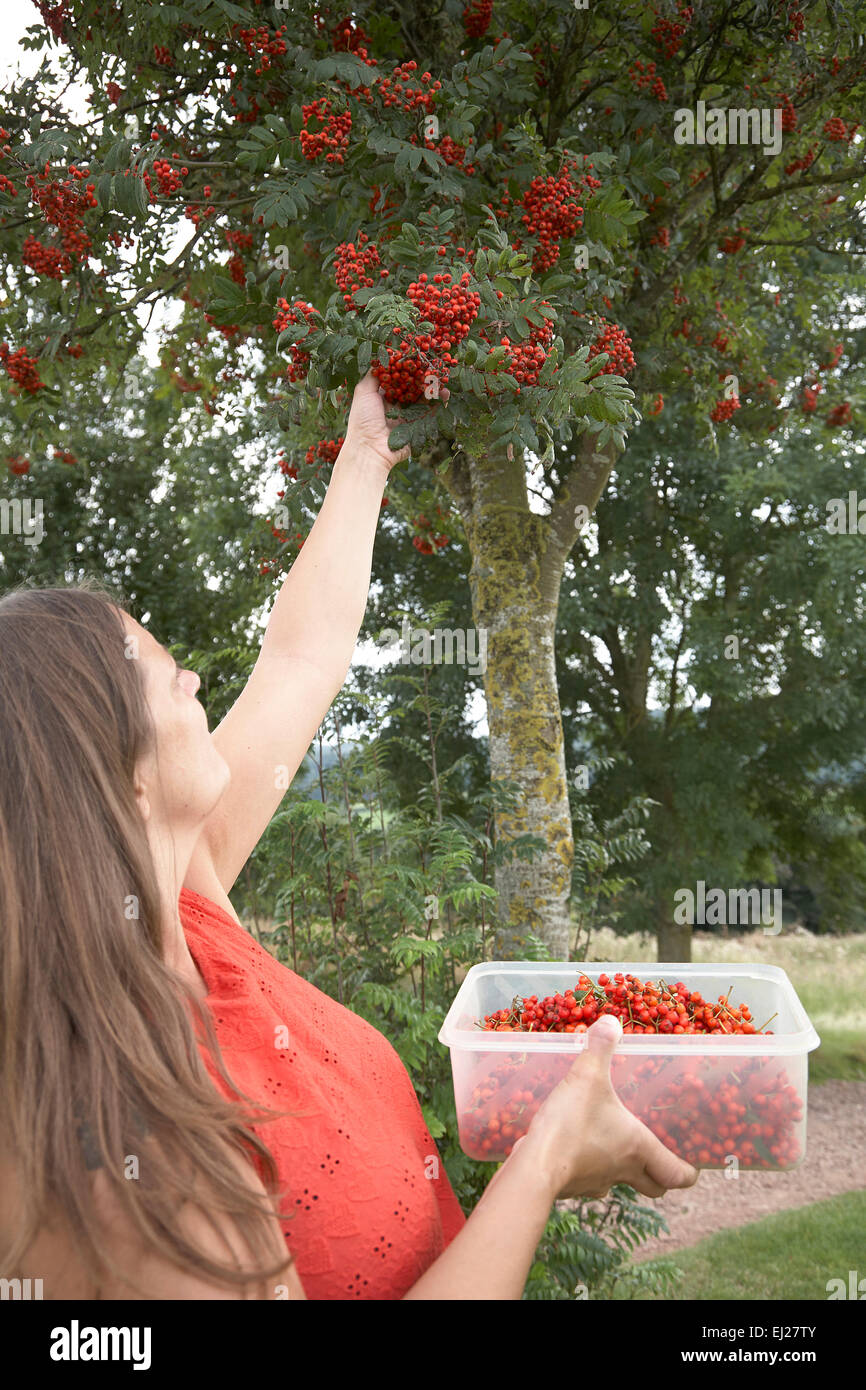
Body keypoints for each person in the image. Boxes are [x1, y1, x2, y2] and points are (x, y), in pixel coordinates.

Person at [0, 374, 698, 1299]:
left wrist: (367, 453)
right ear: (116, 772)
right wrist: (545, 1164)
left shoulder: (182, 895)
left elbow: (302, 655)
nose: (197, 681)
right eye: (165, 675)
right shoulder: (128, 1155)